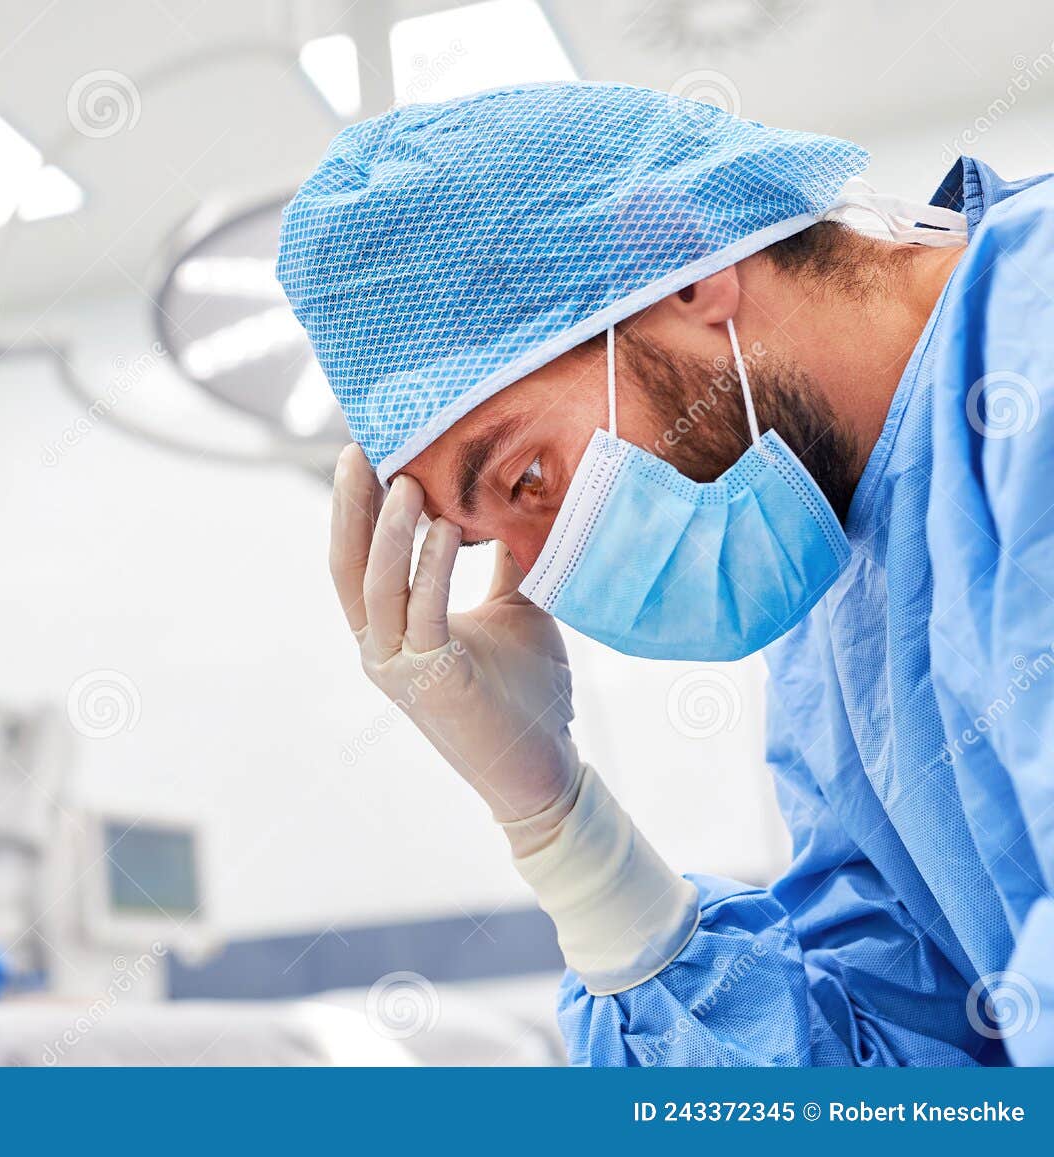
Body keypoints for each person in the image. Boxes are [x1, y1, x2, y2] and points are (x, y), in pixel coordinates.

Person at [278, 81, 1054, 1066]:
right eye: (492, 544)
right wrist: (561, 830)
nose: (545, 577)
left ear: (680, 266)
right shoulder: (834, 626)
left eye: (526, 479)